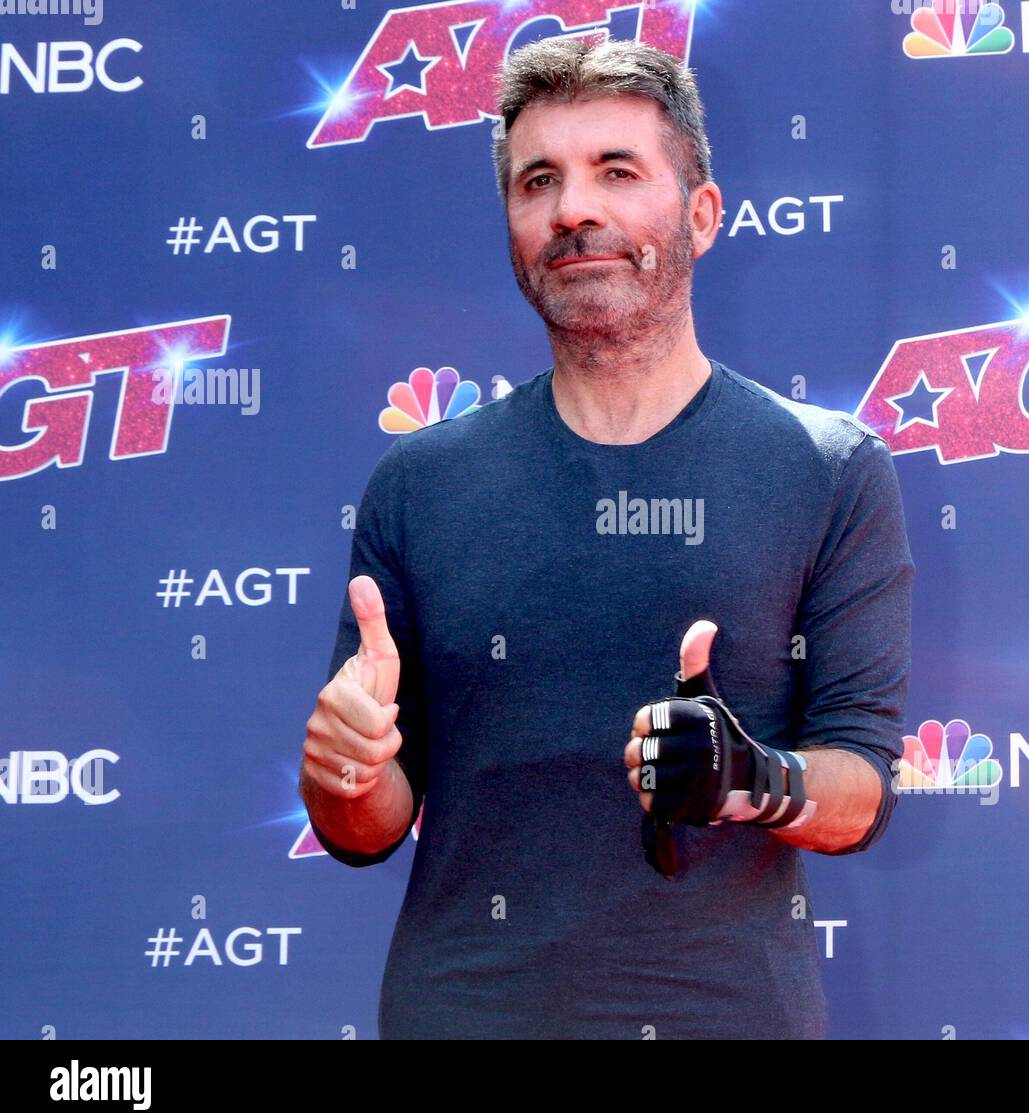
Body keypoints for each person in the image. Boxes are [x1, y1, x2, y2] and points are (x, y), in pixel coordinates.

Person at [298, 37, 914, 1040]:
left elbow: (861, 785)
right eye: (538, 180)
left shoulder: (826, 468)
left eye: (616, 171)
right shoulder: (419, 484)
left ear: (702, 215)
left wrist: (757, 778)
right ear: (511, 227)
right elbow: (362, 828)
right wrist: (344, 770)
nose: (573, 207)